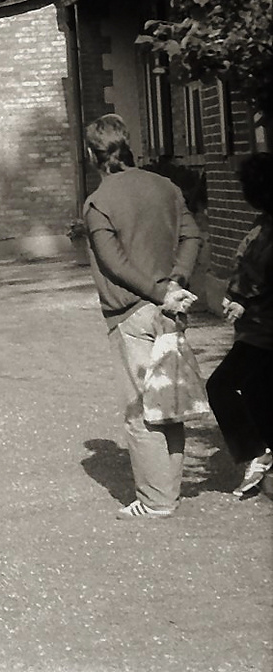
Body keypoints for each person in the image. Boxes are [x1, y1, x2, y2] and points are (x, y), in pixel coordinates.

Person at [80, 114, 202, 520]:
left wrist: (157, 291)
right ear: (129, 144)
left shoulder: (99, 202)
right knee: (168, 402)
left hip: (131, 312)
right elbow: (191, 235)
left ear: (91, 154)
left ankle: (155, 501)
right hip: (171, 309)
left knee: (140, 410)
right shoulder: (165, 187)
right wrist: (175, 283)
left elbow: (113, 263)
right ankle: (169, 491)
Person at [207, 152, 273, 501]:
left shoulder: (266, 232)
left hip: (263, 332)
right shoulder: (262, 225)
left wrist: (240, 299)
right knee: (258, 392)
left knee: (221, 386)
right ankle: (262, 458)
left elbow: (256, 274)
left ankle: (255, 453)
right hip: (257, 328)